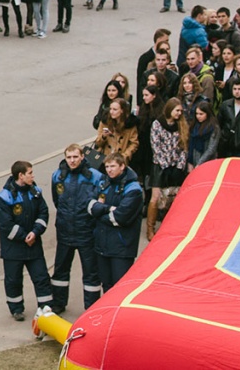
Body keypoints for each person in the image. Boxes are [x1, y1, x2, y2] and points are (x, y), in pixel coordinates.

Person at [0, 160, 53, 321]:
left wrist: (35, 232)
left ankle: (46, 307)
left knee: (41, 277)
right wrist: (24, 237)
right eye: (30, 173)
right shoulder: (4, 197)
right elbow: (5, 224)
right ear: (20, 175)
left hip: (33, 245)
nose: (33, 176)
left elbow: (43, 213)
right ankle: (16, 309)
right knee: (13, 280)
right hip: (13, 249)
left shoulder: (35, 192)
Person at [49, 144, 103, 313]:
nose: (72, 160)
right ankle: (58, 302)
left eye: (75, 157)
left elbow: (100, 201)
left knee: (91, 272)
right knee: (60, 270)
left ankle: (91, 306)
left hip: (86, 231)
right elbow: (56, 200)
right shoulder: (57, 176)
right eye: (69, 157)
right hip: (65, 231)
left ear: (82, 157)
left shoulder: (95, 176)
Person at [87, 153, 143, 292]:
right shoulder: (103, 183)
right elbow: (89, 206)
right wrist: (108, 209)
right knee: (106, 285)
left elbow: (120, 218)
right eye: (107, 166)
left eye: (113, 166)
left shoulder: (133, 189)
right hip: (102, 245)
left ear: (122, 166)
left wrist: (99, 213)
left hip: (121, 248)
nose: (109, 170)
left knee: (120, 288)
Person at [147, 97, 189, 239]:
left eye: (181, 111)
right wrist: (165, 166)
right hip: (160, 166)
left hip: (175, 166)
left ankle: (169, 227)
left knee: (173, 198)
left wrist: (179, 167)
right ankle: (150, 228)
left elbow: (184, 147)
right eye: (177, 111)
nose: (179, 114)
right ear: (170, 109)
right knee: (156, 197)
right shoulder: (157, 124)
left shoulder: (182, 125)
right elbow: (156, 146)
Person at [93, 97, 139, 163]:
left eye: (115, 109)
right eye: (110, 109)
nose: (111, 112)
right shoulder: (105, 122)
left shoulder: (129, 125)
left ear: (122, 110)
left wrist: (124, 156)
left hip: (121, 160)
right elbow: (98, 143)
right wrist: (103, 136)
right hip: (105, 158)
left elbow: (134, 144)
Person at [188, 101, 219, 168]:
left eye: (201, 114)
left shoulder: (214, 127)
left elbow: (211, 149)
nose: (198, 116)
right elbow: (191, 145)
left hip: (208, 162)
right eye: (197, 114)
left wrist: (200, 163)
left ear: (207, 114)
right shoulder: (194, 126)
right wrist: (190, 162)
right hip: (194, 159)